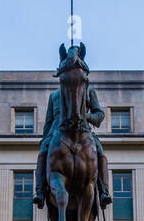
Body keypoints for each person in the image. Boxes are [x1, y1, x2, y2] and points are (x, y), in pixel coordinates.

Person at [32, 79, 113, 211]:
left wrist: (86, 116)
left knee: (100, 152)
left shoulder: (89, 91)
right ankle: (40, 191)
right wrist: (45, 138)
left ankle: (104, 191)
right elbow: (49, 120)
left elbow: (99, 114)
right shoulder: (54, 95)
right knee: (42, 153)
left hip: (83, 131)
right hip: (56, 132)